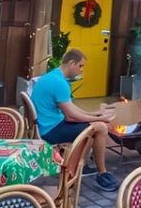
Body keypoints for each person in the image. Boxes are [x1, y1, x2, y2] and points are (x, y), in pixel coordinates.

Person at [31, 48, 118, 192]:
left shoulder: (53, 77)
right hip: (50, 130)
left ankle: (79, 167)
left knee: (93, 128)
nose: (81, 70)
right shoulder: (59, 83)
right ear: (71, 63)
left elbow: (71, 108)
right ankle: (101, 174)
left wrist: (93, 114)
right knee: (100, 127)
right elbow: (71, 116)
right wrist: (100, 119)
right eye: (80, 66)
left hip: (47, 124)